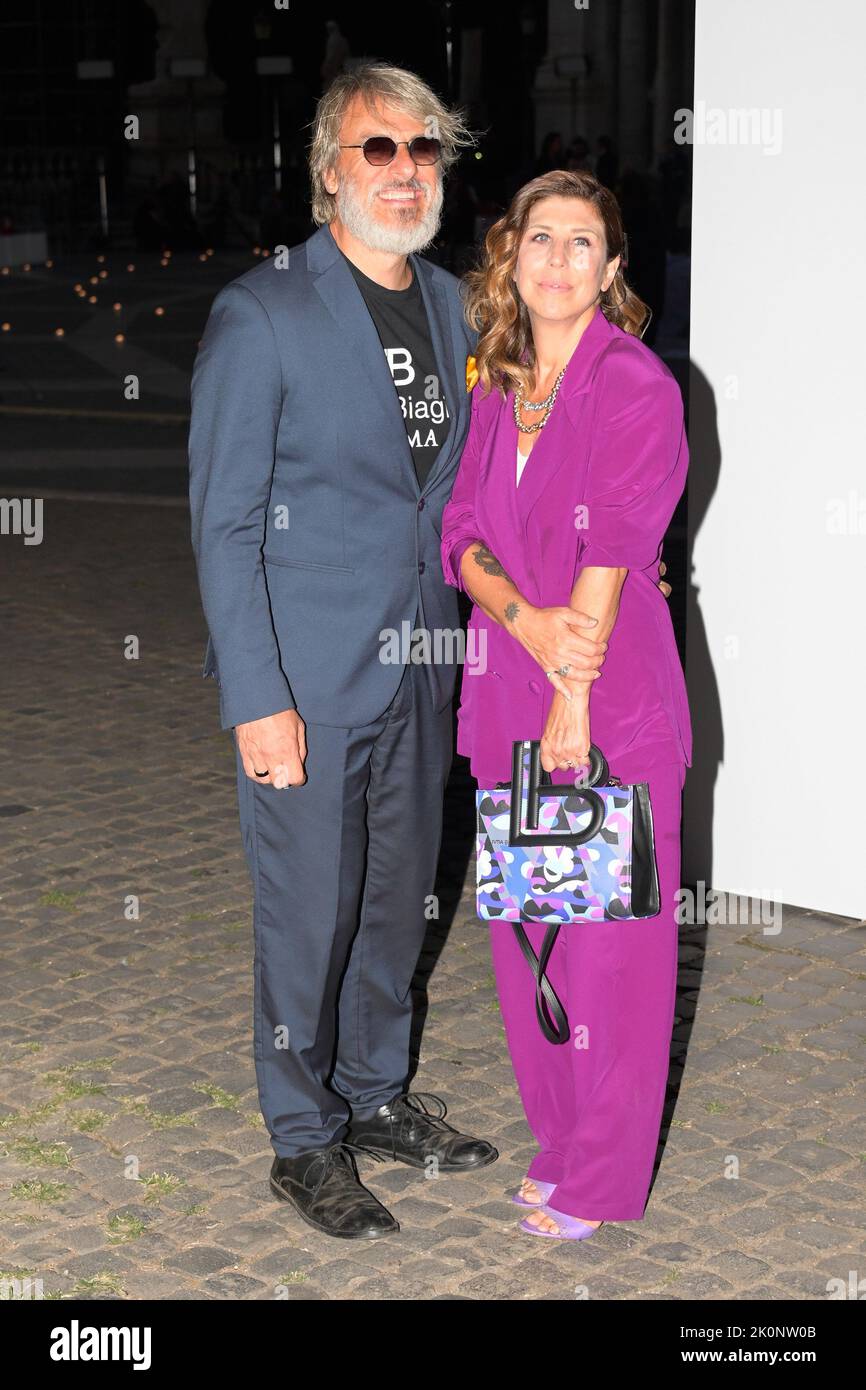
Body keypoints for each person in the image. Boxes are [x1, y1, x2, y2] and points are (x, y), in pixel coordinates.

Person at [188, 63, 525, 1241]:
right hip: (307, 681)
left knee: (395, 902)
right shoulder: (264, 313)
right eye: (378, 148)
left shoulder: (452, 305)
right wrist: (256, 697)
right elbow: (225, 525)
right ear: (329, 168)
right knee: (307, 916)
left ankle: (376, 1095)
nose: (403, 170)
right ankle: (302, 1136)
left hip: (423, 664)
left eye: (423, 148)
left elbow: (465, 493)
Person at [440, 169, 692, 1240]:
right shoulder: (497, 384)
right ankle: (556, 1140)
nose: (556, 259)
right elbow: (459, 529)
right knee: (528, 934)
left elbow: (613, 550)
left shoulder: (632, 383)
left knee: (610, 953)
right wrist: (521, 623)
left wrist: (568, 692)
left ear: (611, 267)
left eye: (580, 242)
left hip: (605, 704)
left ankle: (601, 1177)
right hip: (507, 690)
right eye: (539, 238)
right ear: (511, 255)